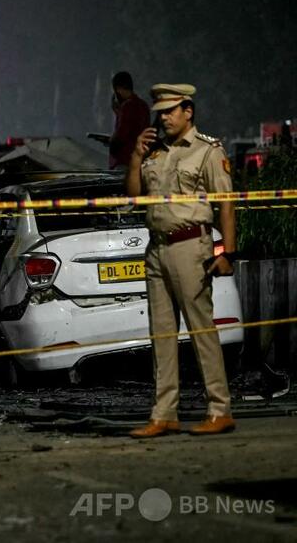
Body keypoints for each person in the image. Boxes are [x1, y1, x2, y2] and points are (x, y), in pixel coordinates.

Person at [126, 83, 237, 438]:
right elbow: (134, 198)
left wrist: (228, 253)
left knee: (202, 331)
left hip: (191, 246)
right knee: (161, 335)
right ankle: (164, 413)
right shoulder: (155, 152)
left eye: (170, 110)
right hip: (156, 248)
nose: (163, 117)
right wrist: (134, 157)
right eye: (160, 112)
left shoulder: (206, 151)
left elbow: (226, 204)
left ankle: (220, 409)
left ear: (188, 111)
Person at [108, 71, 151, 170]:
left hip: (124, 161)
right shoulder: (143, 105)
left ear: (118, 89)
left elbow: (122, 135)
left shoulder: (127, 106)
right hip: (141, 160)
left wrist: (111, 141)